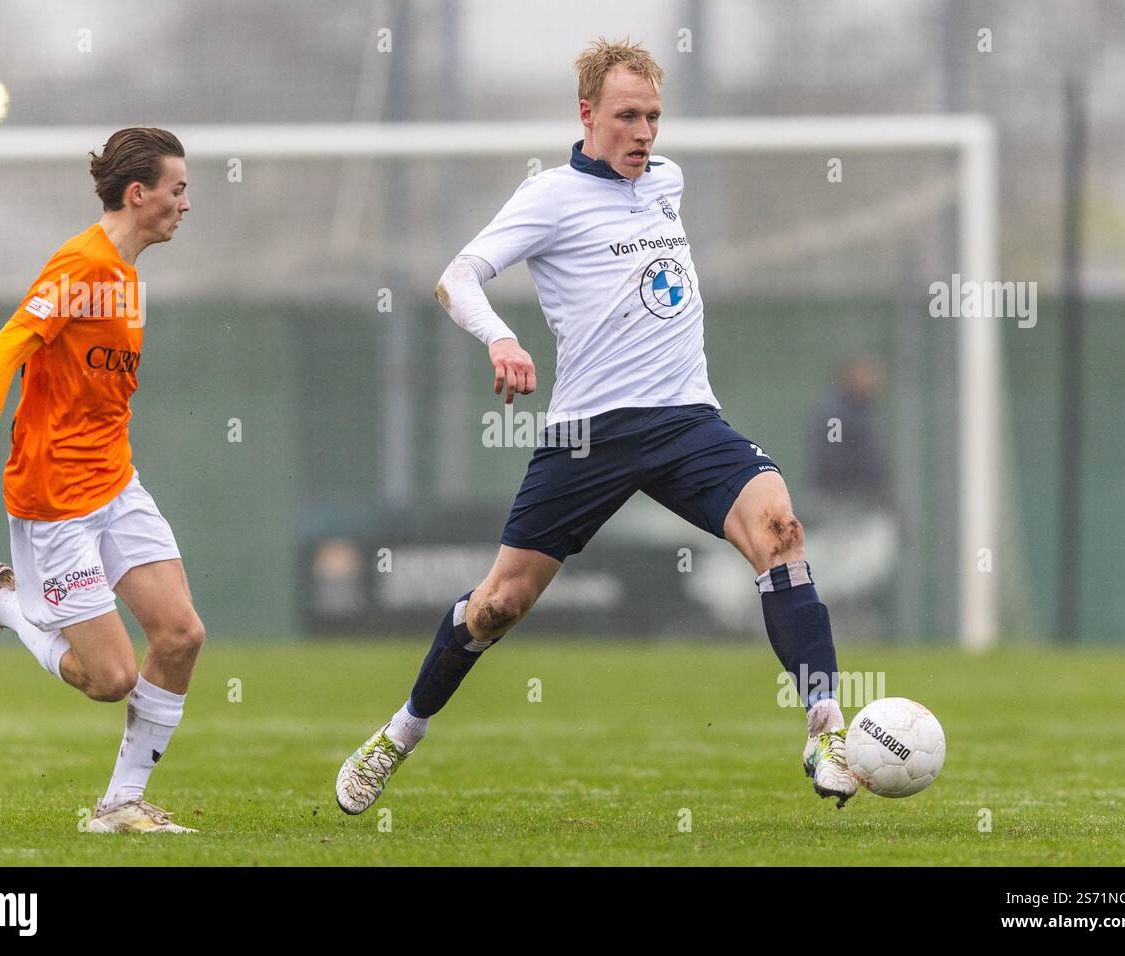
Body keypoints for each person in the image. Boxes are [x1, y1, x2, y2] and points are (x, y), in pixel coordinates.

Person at [336, 38, 856, 813]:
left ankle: (825, 729)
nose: (644, 133)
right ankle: (400, 733)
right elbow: (457, 278)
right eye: (627, 116)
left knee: (780, 532)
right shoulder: (548, 197)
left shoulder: (666, 182)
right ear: (586, 114)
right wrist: (502, 339)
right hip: (589, 433)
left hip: (686, 420)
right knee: (499, 606)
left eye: (653, 116)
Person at [0, 127, 203, 833]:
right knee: (109, 679)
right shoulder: (82, 267)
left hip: (116, 486)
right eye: (178, 189)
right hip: (55, 499)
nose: (187, 204)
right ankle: (0, 602)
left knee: (180, 635)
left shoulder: (126, 277)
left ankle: (120, 805)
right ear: (138, 193)